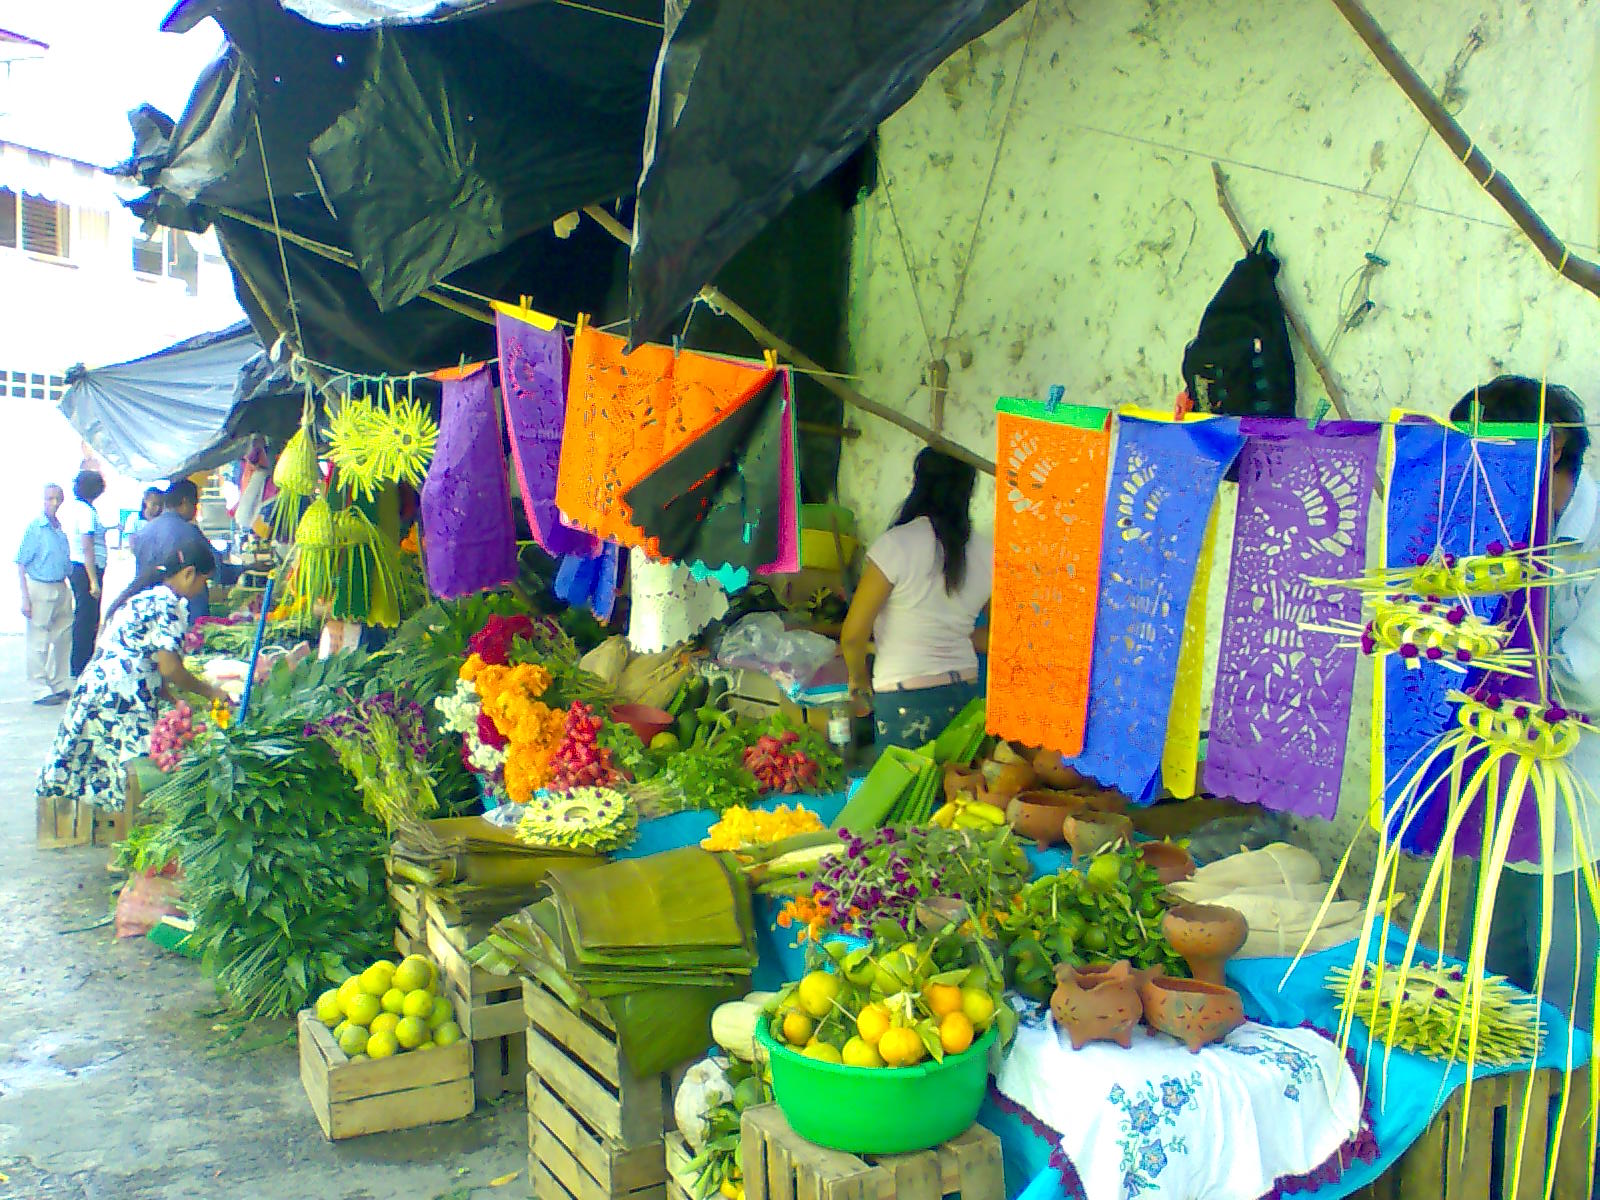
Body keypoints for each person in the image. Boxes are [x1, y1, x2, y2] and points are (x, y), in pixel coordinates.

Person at [1448, 376, 1597, 1034]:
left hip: (1582, 798)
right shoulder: (1502, 522)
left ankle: (1564, 1130)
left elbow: (1587, 677)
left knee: (1563, 979)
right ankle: (1492, 1121)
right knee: (1492, 965)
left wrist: (1491, 652)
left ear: (1554, 452)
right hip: (1503, 782)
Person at [35, 544, 228, 815]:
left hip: (101, 686)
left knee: (95, 764)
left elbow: (150, 659)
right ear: (189, 573)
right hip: (119, 695)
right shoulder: (167, 604)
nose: (201, 589)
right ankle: (117, 828)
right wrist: (209, 692)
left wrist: (173, 699)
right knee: (127, 770)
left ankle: (100, 822)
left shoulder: (148, 596)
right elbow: (169, 667)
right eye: (203, 581)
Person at [840, 448, 993, 750]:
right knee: (959, 793)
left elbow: (853, 635)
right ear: (968, 491)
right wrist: (949, 635)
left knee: (908, 797)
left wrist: (858, 680)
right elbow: (995, 637)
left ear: (919, 482)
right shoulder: (987, 552)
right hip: (965, 692)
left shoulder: (897, 544)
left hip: (905, 698)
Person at [15, 483, 73, 704]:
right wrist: (25, 597)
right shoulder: (35, 528)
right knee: (38, 640)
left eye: (58, 499)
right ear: (42, 500)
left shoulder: (59, 529)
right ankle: (39, 688)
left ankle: (58, 683)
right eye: (50, 499)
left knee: (62, 638)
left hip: (60, 586)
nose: (54, 503)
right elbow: (21, 563)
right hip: (40, 586)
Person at [132, 480, 212, 625]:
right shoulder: (190, 532)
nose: (195, 511)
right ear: (185, 502)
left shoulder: (143, 532)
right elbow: (215, 569)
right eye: (195, 505)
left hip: (149, 612)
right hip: (186, 615)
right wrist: (246, 568)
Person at [63, 469, 108, 676]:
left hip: (80, 567)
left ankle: (80, 662)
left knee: (86, 616)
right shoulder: (86, 512)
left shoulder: (81, 509)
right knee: (87, 617)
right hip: (86, 568)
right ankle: (81, 664)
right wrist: (93, 581)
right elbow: (87, 546)